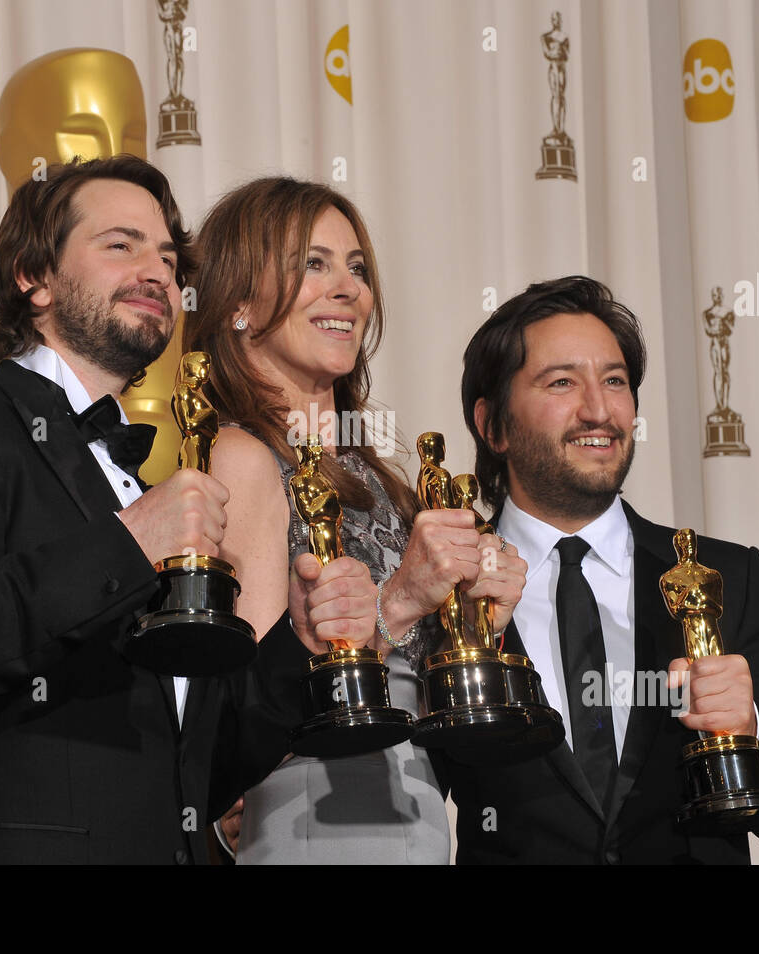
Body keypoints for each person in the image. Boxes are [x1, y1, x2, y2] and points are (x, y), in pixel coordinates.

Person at [0, 156, 377, 864]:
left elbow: (204, 769)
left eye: (166, 255)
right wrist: (126, 546)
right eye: (121, 244)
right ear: (33, 276)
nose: (157, 271)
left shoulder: (146, 478)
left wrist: (296, 650)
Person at [183, 177, 527, 864]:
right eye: (313, 264)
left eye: (358, 268)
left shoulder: (384, 481)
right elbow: (243, 719)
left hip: (411, 818)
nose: (349, 289)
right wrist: (398, 602)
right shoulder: (243, 458)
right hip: (315, 824)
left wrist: (474, 634)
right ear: (240, 304)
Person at [450, 275, 759, 863]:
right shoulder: (447, 586)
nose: (599, 411)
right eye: (561, 383)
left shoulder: (726, 577)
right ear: (493, 425)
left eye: (615, 381)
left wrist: (750, 725)